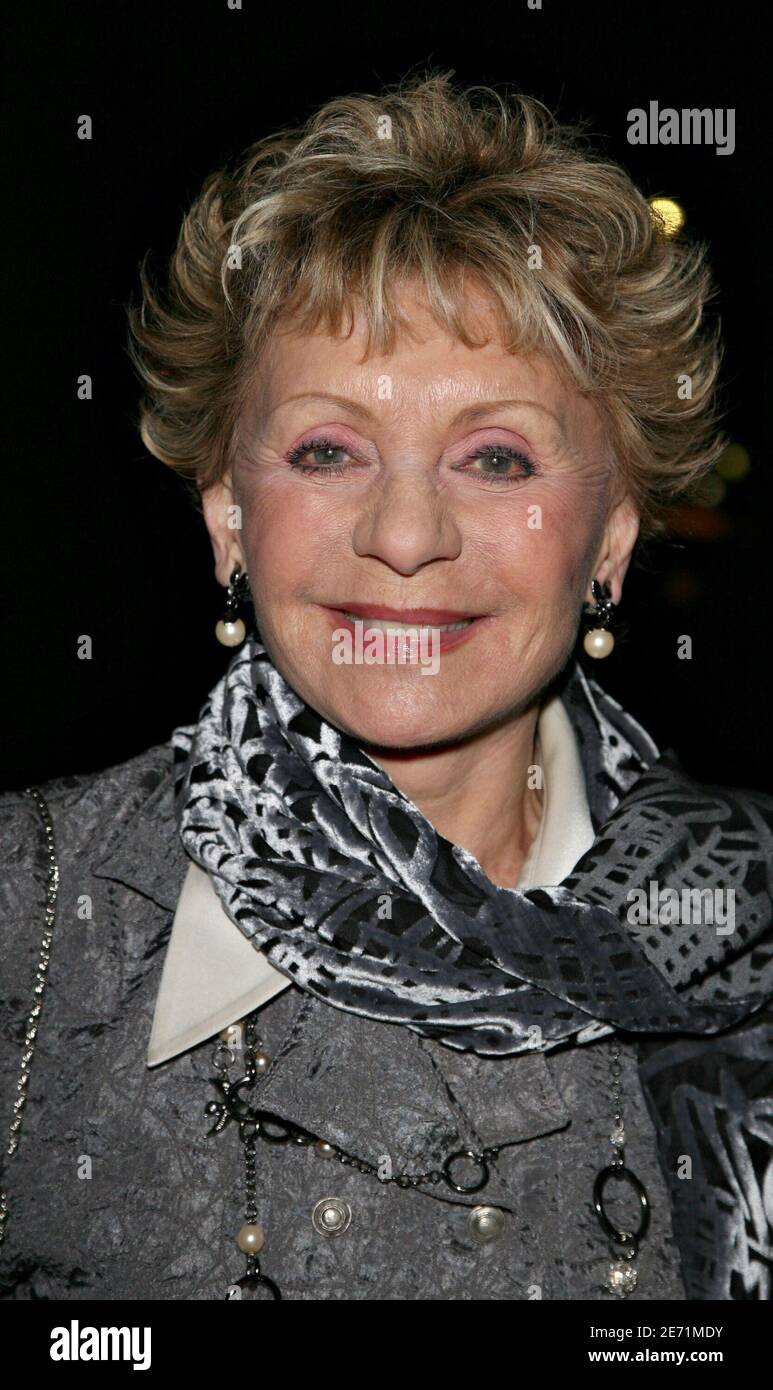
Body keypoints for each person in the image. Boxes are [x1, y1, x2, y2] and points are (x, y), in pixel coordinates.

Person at [1, 71, 771, 1303]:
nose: (404, 534)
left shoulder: (748, 923)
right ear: (228, 516)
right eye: (326, 449)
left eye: (493, 455)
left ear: (611, 534)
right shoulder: (27, 922)